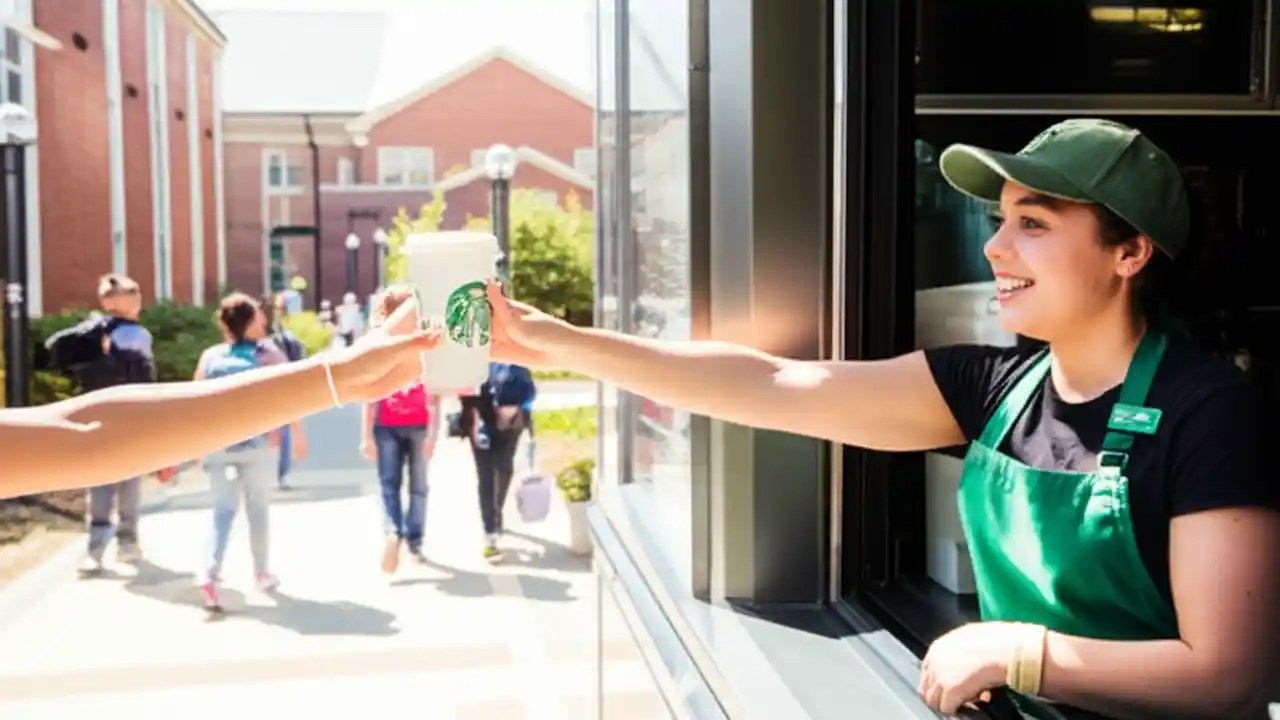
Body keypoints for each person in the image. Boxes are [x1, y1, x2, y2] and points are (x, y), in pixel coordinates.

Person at [483, 119, 1280, 719]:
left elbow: (1229, 677)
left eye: (1032, 224)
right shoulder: (992, 388)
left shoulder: (1209, 415)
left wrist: (1023, 653)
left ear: (1129, 253)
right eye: (1000, 222)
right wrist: (551, 339)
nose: (996, 248)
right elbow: (768, 384)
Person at [0, 288, 438, 501]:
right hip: (238, 449)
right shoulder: (243, 352)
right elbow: (88, 435)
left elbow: (87, 434)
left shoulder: (231, 352)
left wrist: (340, 379)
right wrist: (338, 380)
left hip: (233, 450)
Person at [192, 293, 298, 607]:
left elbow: (195, 400)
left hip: (219, 445)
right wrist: (292, 433)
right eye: (258, 316)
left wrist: (197, 445)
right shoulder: (269, 354)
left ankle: (210, 574)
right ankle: (261, 573)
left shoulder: (210, 357)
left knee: (222, 512)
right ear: (251, 323)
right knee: (258, 510)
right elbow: (288, 394)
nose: (264, 320)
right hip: (260, 444)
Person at [70, 274, 155, 573]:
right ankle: (127, 542)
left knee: (100, 484)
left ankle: (94, 549)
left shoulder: (90, 333)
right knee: (129, 484)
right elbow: (146, 381)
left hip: (97, 415)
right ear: (114, 302)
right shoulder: (139, 335)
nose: (137, 302)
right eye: (132, 297)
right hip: (130, 418)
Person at [359, 286, 441, 574]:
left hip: (392, 426)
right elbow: (434, 395)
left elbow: (369, 396)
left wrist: (366, 437)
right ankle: (411, 539)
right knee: (417, 487)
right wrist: (433, 433)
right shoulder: (423, 343)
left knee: (390, 486)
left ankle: (395, 532)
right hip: (412, 425)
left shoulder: (382, 346)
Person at [461, 361, 536, 563]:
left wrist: (518, 416)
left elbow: (530, 395)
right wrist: (474, 419)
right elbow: (466, 391)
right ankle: (490, 533)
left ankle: (496, 511)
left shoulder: (519, 369)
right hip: (480, 418)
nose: (507, 412)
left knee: (504, 466)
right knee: (486, 475)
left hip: (511, 427)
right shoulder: (477, 356)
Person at [262, 293, 308, 490]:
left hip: (277, 390)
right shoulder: (276, 337)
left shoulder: (281, 338)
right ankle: (279, 472)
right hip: (274, 390)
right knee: (282, 430)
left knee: (283, 430)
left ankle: (281, 472)